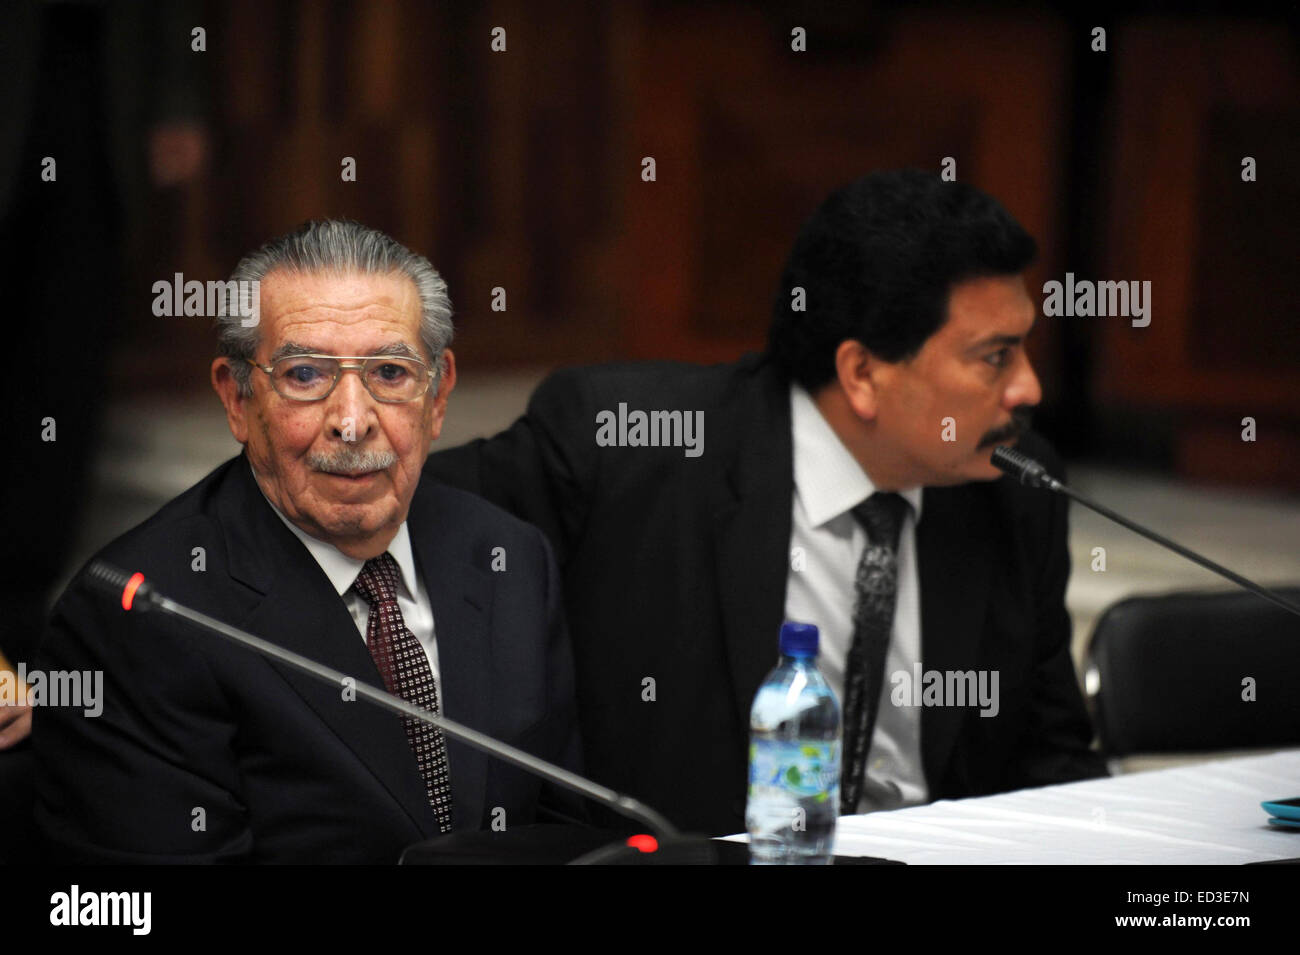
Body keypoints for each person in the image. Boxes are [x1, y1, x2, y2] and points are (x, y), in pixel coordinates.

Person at [424, 168, 1109, 837]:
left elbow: (1053, 759)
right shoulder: (623, 448)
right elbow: (397, 504)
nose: (1030, 388)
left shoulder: (1016, 488)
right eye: (996, 356)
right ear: (863, 373)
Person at [33, 220, 581, 863]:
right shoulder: (143, 617)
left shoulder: (508, 558)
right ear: (238, 398)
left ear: (438, 396)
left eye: (390, 372)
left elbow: (562, 834)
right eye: (304, 375)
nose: (352, 421)